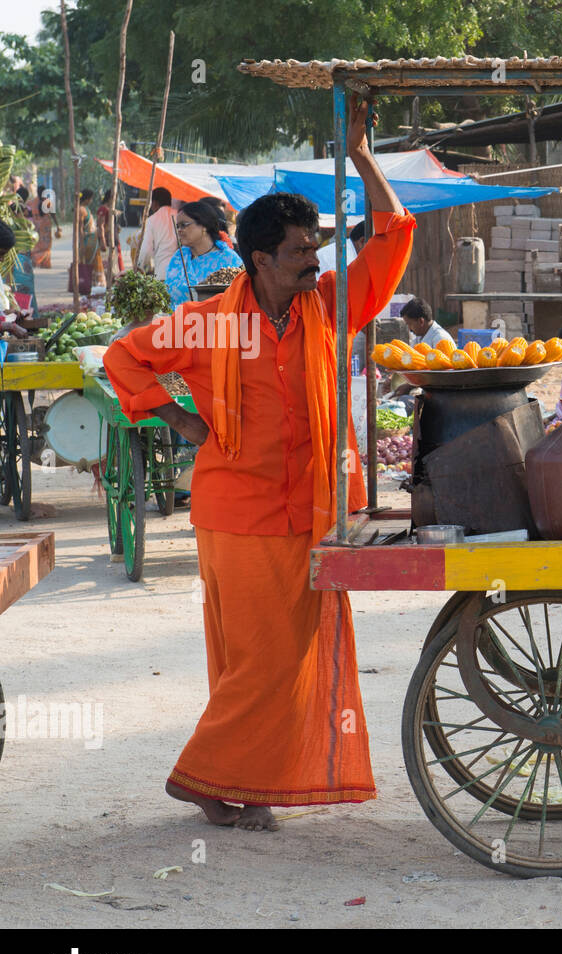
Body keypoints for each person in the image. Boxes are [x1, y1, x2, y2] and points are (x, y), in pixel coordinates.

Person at [102, 98, 415, 831]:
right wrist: (178, 416)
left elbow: (394, 236)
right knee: (258, 663)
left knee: (289, 656)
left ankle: (243, 785)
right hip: (236, 519)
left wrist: (364, 156)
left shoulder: (331, 304)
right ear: (261, 259)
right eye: (303, 250)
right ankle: (202, 776)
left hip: (312, 510)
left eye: (316, 246)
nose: (316, 259)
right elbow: (124, 354)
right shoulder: (208, 321)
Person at [164, 200, 244, 308]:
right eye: (177, 226)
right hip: (177, 321)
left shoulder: (229, 260)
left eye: (184, 225)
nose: (179, 230)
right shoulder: (179, 257)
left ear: (204, 226)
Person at [135, 186, 179, 279]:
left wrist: (138, 268)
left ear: (154, 203)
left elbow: (146, 251)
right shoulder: (179, 215)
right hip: (182, 271)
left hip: (162, 272)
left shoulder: (152, 220)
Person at [70, 189, 102, 295]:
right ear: (87, 199)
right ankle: (86, 286)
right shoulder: (81, 210)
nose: (91, 201)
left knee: (90, 265)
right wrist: (81, 243)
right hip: (87, 242)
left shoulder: (85, 209)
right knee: (86, 265)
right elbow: (80, 228)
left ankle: (91, 286)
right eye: (91, 198)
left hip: (92, 242)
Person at [29, 186, 60, 269]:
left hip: (37, 227)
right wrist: (57, 226)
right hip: (45, 228)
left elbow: (27, 213)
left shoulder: (32, 202)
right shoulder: (48, 202)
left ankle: (37, 261)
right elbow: (53, 215)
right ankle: (44, 262)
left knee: (37, 245)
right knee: (46, 245)